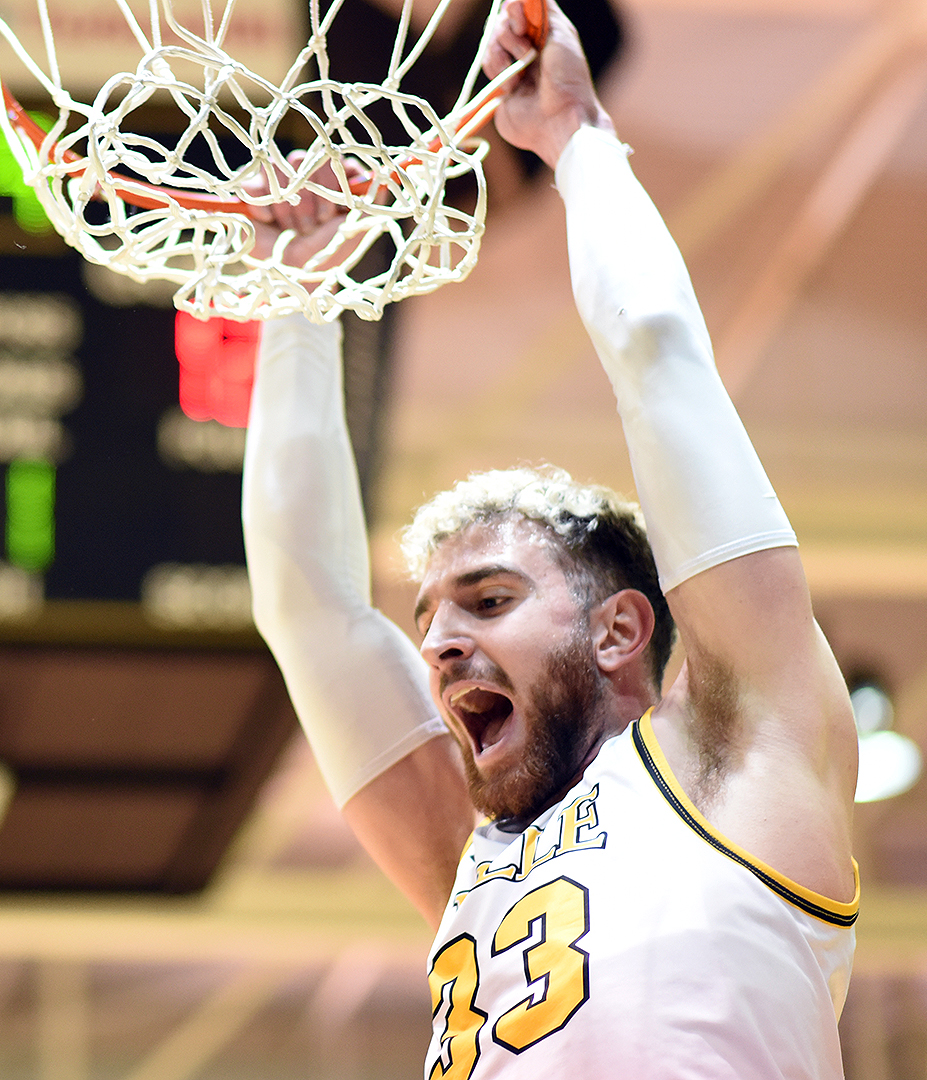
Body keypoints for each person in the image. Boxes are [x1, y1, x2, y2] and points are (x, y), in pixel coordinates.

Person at [240, 1, 860, 1075]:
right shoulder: (472, 855)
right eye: (431, 617)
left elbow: (659, 357)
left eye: (488, 601)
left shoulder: (736, 755)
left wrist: (577, 142)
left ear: (622, 628)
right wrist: (298, 301)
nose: (435, 647)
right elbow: (308, 607)